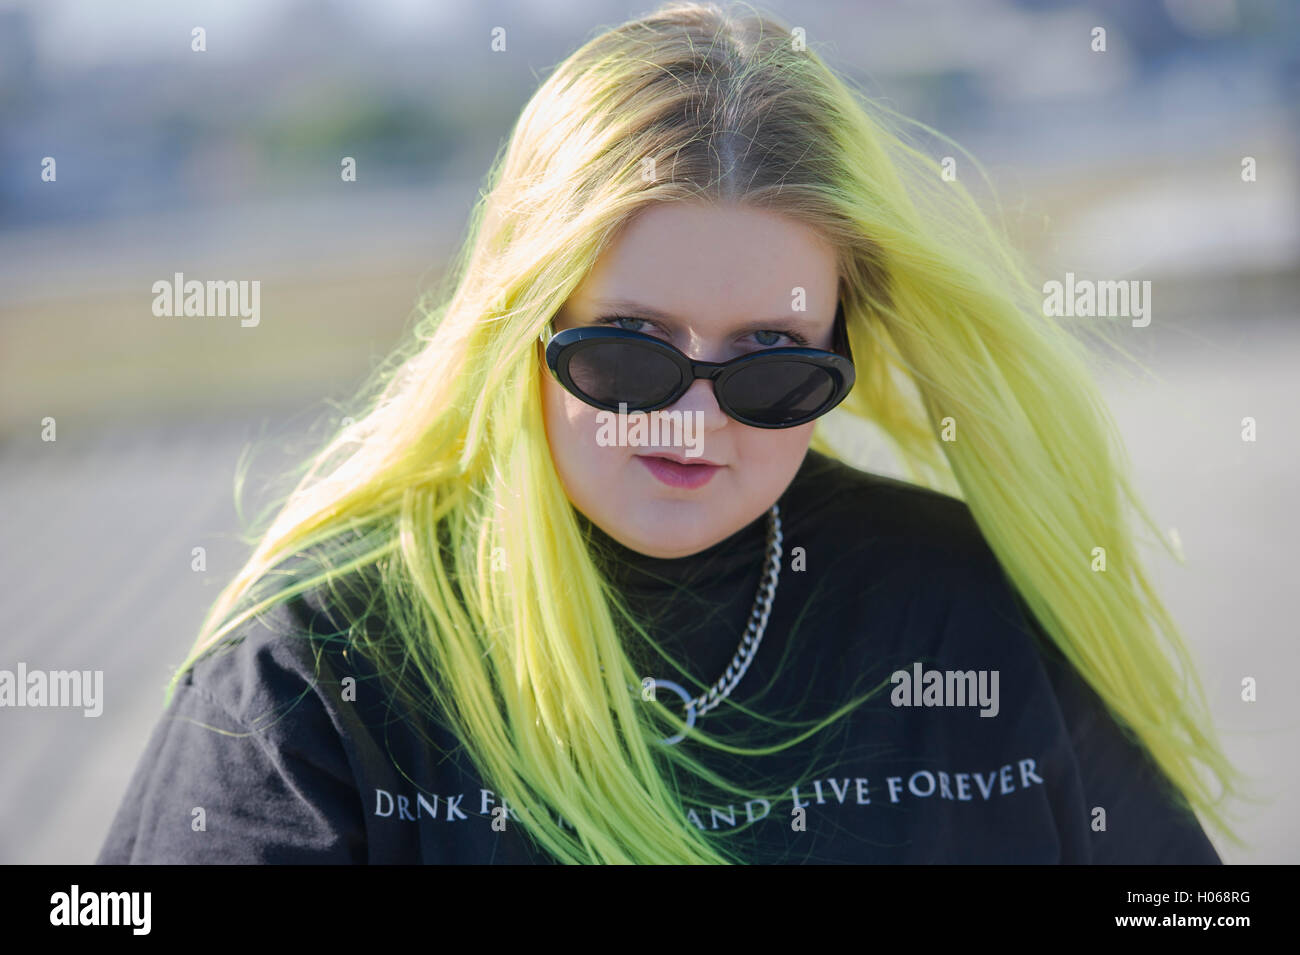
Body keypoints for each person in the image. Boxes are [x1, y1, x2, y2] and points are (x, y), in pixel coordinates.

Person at [97, 1, 1245, 865]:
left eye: (772, 364)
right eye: (629, 350)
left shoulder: (956, 599)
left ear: (846, 347)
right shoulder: (317, 663)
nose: (690, 416)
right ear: (518, 327)